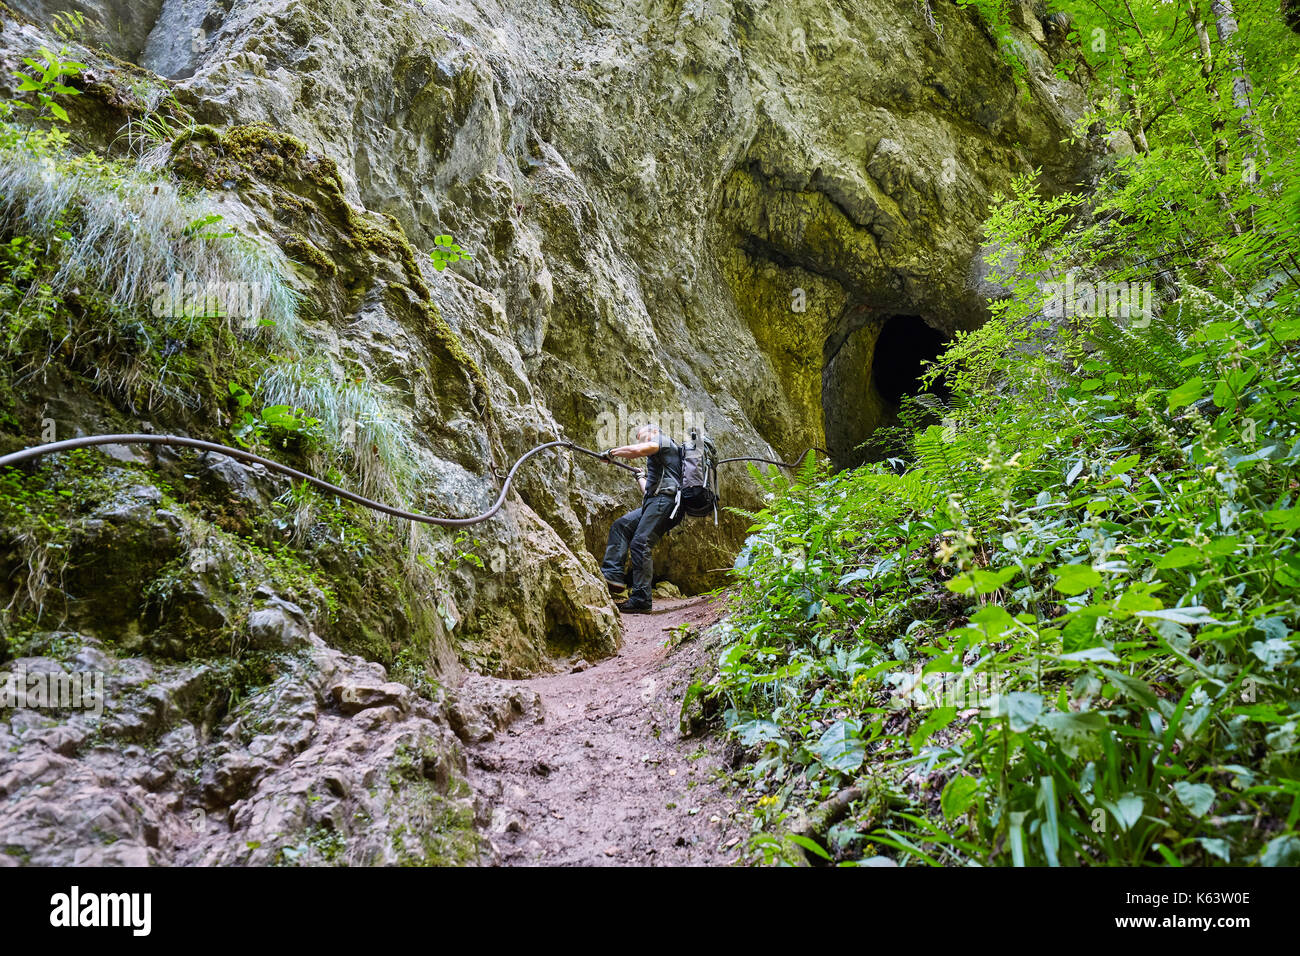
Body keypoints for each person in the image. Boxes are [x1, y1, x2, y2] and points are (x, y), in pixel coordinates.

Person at [600, 423, 682, 613]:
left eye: (641, 435)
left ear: (654, 431)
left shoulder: (662, 440)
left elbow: (638, 450)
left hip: (665, 501)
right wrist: (640, 476)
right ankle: (612, 575)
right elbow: (648, 492)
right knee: (621, 526)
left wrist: (612, 452)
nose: (639, 439)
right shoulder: (661, 460)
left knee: (640, 543)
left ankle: (641, 599)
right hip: (656, 501)